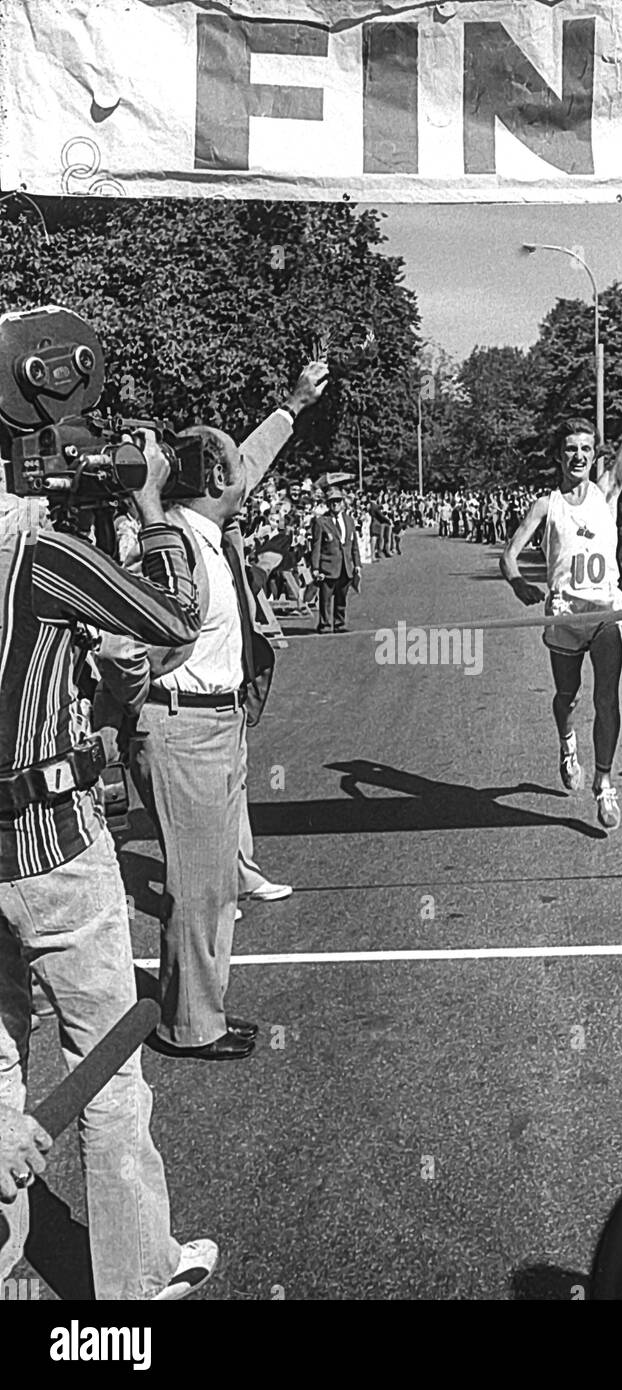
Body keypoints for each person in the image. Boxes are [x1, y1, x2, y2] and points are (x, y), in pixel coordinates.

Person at [1, 432, 217, 1299]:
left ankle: (4, 1252)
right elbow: (173, 623)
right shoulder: (42, 555)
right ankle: (133, 1281)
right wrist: (152, 506)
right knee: (106, 1077)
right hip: (52, 844)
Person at [109, 364, 329, 1062]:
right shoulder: (165, 543)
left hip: (219, 721)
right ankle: (191, 1024)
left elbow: (252, 459)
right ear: (211, 479)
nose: (249, 472)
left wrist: (292, 405)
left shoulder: (204, 526)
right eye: (235, 463)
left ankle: (200, 1004)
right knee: (199, 888)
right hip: (182, 724)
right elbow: (122, 647)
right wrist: (140, 705)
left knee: (216, 883)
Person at [500, 341, 622, 832]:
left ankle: (605, 783)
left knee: (607, 699)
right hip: (565, 617)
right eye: (570, 450)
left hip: (607, 614)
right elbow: (509, 555)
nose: (577, 457)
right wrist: (520, 585)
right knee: (567, 697)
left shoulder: (608, 489)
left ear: (594, 456)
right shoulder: (546, 504)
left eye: (585, 450)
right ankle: (566, 743)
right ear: (558, 456)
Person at [311, 487, 362, 634]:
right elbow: (316, 546)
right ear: (327, 504)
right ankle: (325, 624)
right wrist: (315, 568)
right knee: (325, 599)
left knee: (342, 598)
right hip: (328, 566)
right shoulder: (321, 522)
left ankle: (339, 623)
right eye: (332, 502)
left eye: (338, 501)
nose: (335, 504)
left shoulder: (349, 520)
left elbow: (354, 545)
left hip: (346, 566)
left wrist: (357, 564)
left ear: (343, 503)